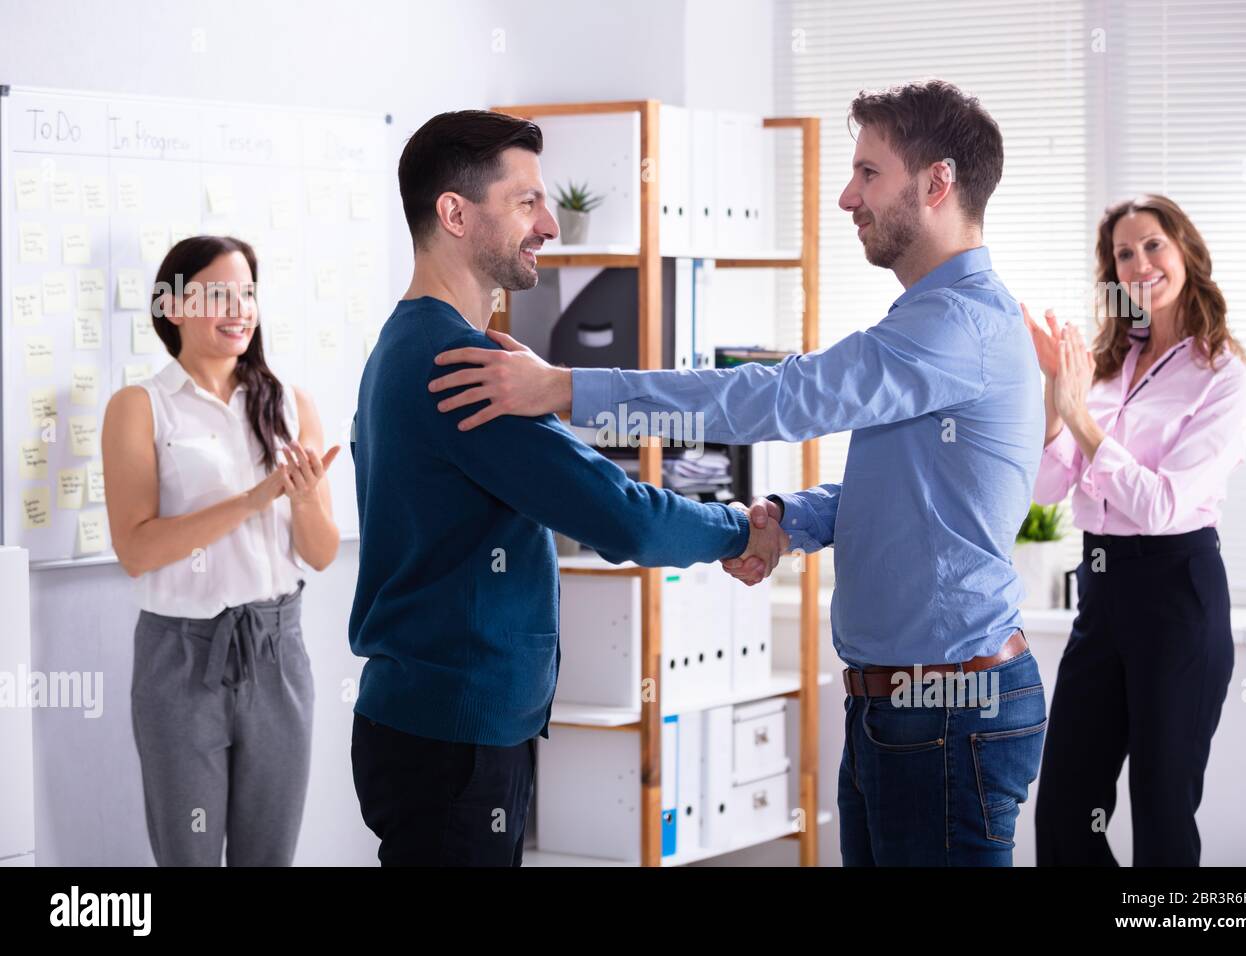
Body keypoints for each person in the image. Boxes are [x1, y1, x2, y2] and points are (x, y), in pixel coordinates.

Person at [427, 80, 1048, 866]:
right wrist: (789, 519)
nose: (846, 198)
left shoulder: (956, 322)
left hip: (947, 708)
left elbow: (784, 397)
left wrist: (571, 388)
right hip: (899, 706)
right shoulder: (936, 319)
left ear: (936, 183)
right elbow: (911, 499)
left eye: (868, 173)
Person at [348, 110, 786, 867]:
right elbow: (621, 519)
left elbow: (551, 483)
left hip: (429, 727)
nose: (549, 222)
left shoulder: (416, 342)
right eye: (526, 202)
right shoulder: (457, 368)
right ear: (454, 213)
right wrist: (743, 531)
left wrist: (552, 398)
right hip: (456, 739)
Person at [1025, 194, 1246, 866]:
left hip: (1176, 594)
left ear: (1185, 250)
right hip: (1101, 596)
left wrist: (1083, 420)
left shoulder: (1223, 378)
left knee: (1161, 814)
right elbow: (1046, 488)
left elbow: (1160, 506)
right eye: (1123, 254)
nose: (1140, 264)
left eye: (1152, 245)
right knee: (1067, 811)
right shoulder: (1104, 366)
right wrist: (1055, 394)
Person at [103, 235, 341, 866]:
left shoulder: (290, 403)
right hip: (181, 659)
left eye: (247, 293)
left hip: (277, 650)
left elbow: (319, 555)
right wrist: (251, 500)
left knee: (268, 856)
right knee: (189, 855)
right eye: (216, 293)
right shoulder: (140, 407)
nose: (238, 308)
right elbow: (136, 549)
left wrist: (309, 497)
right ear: (172, 306)